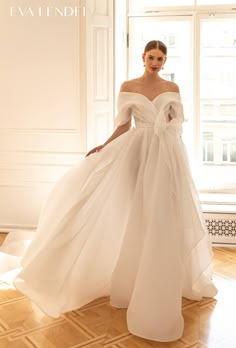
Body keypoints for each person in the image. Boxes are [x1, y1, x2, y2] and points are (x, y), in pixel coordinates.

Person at [0, 40, 217, 342]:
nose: (156, 62)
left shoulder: (172, 88)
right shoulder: (128, 86)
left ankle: (162, 279)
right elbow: (124, 125)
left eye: (161, 58)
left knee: (163, 214)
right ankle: (132, 280)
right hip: (137, 153)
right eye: (152, 57)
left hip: (166, 154)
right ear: (143, 57)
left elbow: (176, 123)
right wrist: (105, 146)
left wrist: (168, 126)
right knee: (137, 213)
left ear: (165, 61)